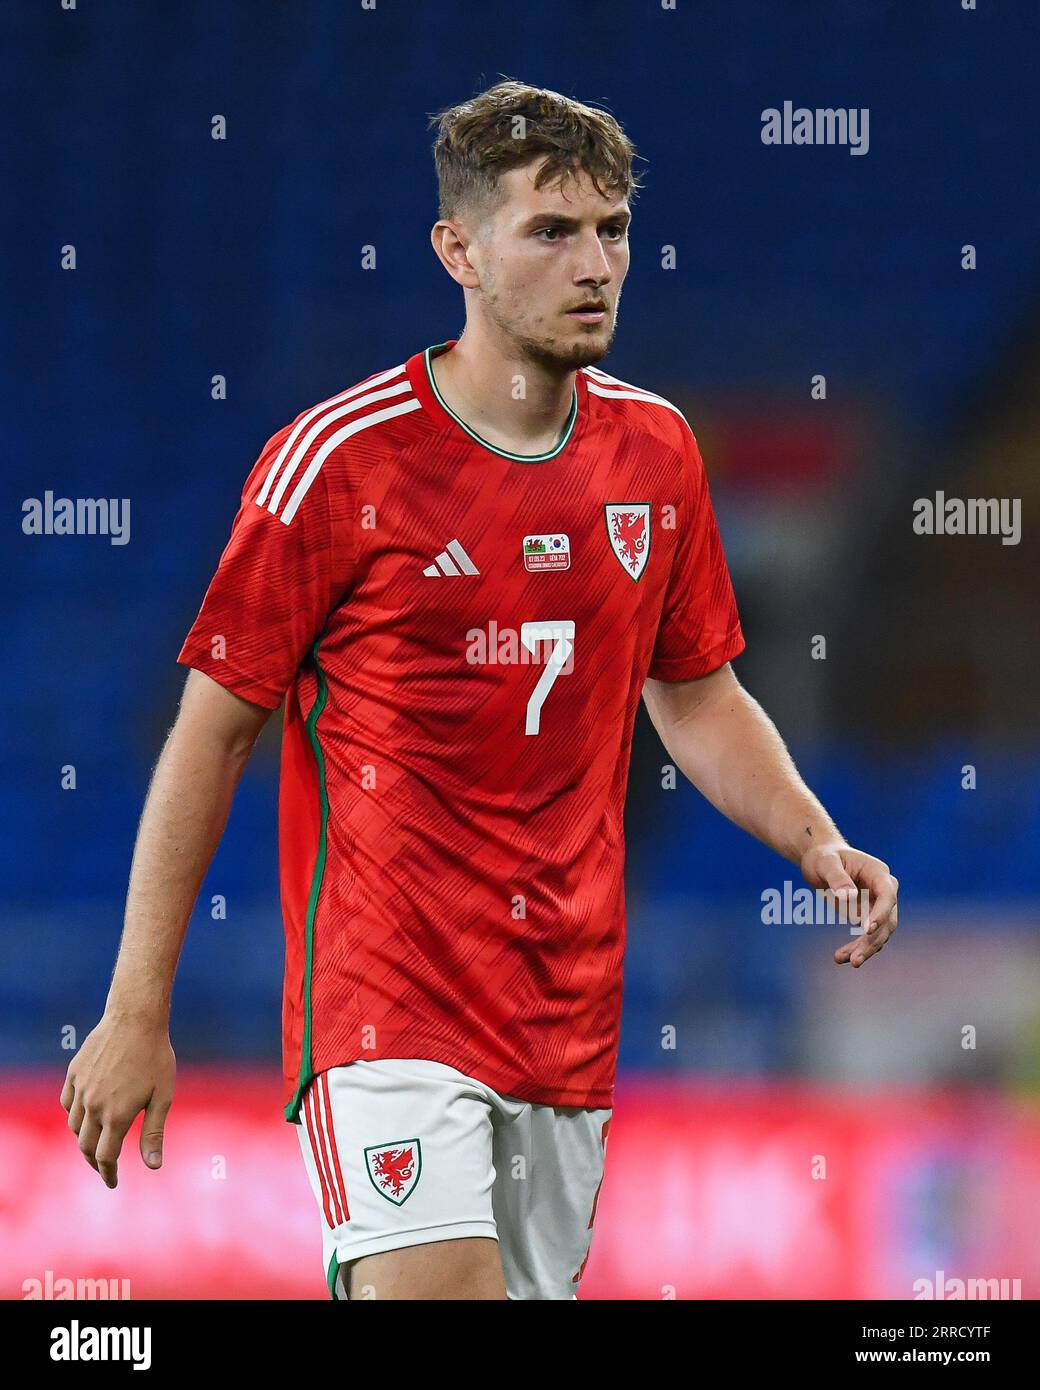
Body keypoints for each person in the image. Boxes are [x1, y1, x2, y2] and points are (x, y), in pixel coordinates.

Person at [61, 79, 899, 1301]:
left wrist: (812, 837)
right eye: (550, 231)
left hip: (564, 1010)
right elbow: (212, 732)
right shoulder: (339, 462)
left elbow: (697, 693)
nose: (596, 262)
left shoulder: (655, 450)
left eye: (611, 229)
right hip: (384, 1004)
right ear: (456, 249)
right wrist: (137, 1005)